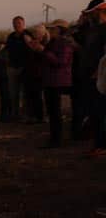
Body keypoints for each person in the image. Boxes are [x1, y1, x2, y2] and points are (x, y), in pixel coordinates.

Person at [32, 19, 74, 147]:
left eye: (52, 29)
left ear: (60, 29)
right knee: (52, 111)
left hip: (57, 81)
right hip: (50, 80)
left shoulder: (65, 44)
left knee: (55, 112)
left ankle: (56, 140)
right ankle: (54, 138)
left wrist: (43, 50)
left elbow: (61, 62)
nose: (49, 31)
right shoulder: (53, 42)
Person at [80, 0, 106, 157]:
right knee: (94, 112)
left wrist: (99, 71)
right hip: (90, 77)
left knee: (100, 112)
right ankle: (98, 144)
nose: (91, 15)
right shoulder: (94, 29)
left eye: (93, 12)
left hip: (100, 78)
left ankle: (102, 146)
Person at [3, 16, 30, 121]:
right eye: (14, 23)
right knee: (13, 93)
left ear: (23, 24)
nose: (16, 25)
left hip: (24, 68)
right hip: (12, 68)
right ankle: (15, 114)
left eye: (19, 23)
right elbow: (6, 50)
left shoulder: (27, 35)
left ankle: (24, 115)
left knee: (25, 93)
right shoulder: (11, 36)